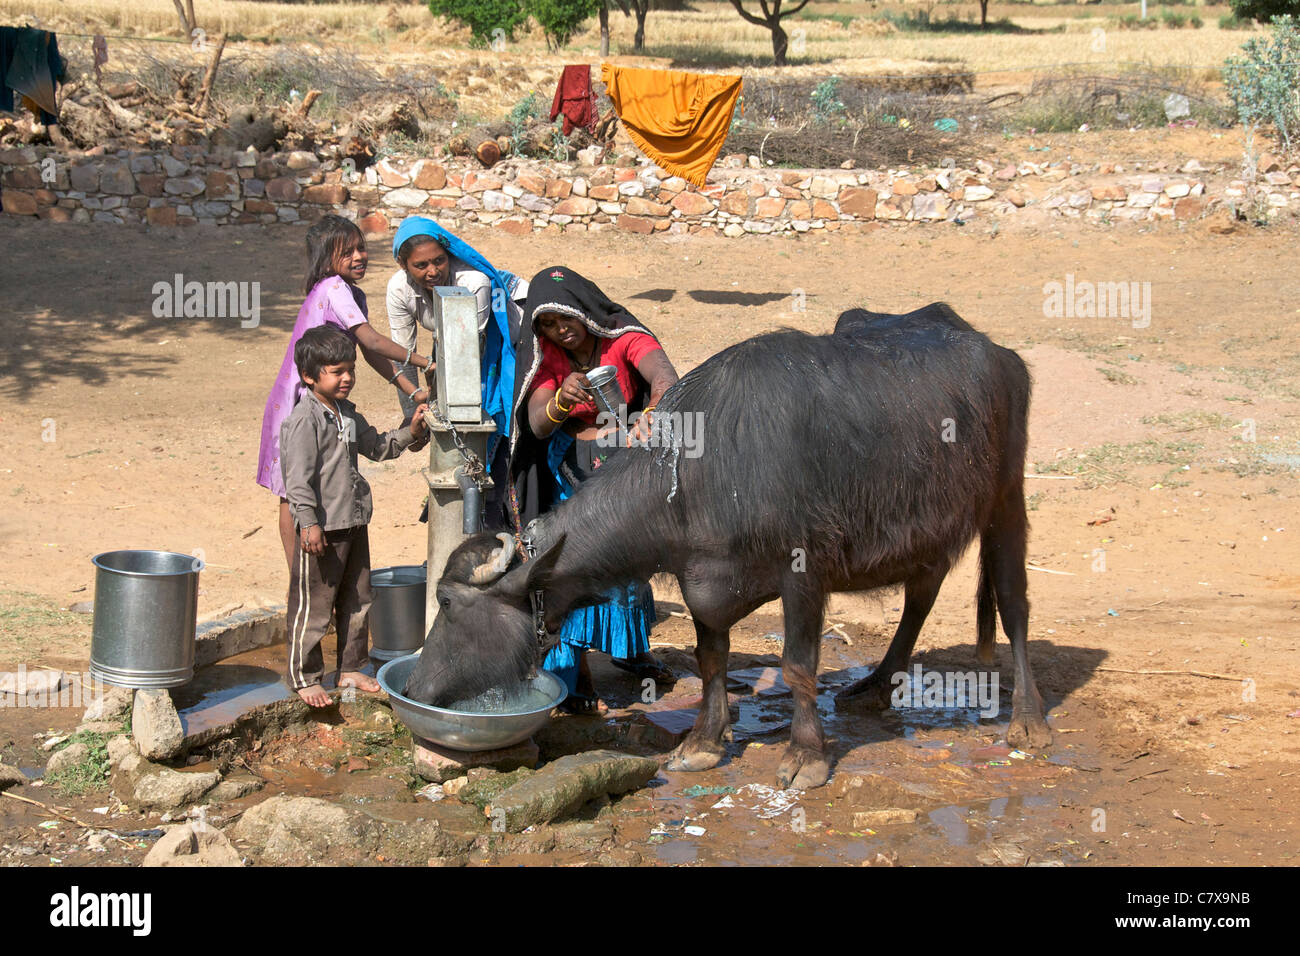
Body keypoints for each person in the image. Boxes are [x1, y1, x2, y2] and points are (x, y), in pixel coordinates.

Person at [509, 266, 681, 714]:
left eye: (566, 319)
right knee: (578, 566)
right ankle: (576, 675)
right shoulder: (547, 356)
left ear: (585, 310)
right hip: (571, 473)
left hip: (624, 465)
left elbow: (664, 376)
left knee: (629, 560)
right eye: (547, 324)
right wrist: (562, 399)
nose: (560, 331)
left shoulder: (623, 338)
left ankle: (630, 651)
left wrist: (655, 412)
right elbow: (537, 425)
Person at [257, 214, 434, 567]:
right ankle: (299, 580)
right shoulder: (334, 288)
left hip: (318, 397)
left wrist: (411, 389)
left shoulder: (350, 293)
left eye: (361, 248)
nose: (359, 257)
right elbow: (371, 340)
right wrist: (424, 361)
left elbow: (367, 352)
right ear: (326, 260)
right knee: (291, 491)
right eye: (346, 252)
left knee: (310, 482)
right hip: (299, 401)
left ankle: (308, 574)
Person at [279, 326, 430, 707]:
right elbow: (297, 481)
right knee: (313, 604)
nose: (347, 378)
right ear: (310, 377)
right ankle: (304, 676)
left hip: (353, 522)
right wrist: (308, 523)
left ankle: (350, 668)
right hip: (321, 530)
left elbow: (378, 447)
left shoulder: (347, 414)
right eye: (336, 371)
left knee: (358, 600)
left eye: (351, 370)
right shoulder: (304, 420)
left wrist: (411, 432)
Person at [385, 217, 529, 525]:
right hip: (456, 346)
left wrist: (436, 398)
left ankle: (499, 517)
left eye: (439, 260)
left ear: (449, 254)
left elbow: (466, 354)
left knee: (500, 426)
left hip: (511, 342)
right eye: (420, 265)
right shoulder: (399, 289)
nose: (432, 271)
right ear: (403, 266)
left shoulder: (473, 283)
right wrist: (414, 412)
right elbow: (403, 355)